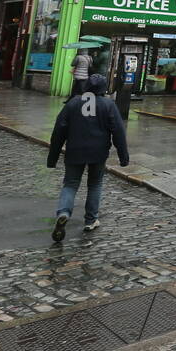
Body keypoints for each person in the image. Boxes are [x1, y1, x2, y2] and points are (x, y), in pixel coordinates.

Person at [47, 73, 129, 242]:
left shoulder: (73, 103)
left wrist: (52, 158)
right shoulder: (108, 105)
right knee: (95, 184)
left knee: (70, 183)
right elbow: (119, 132)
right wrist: (123, 156)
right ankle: (91, 220)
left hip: (75, 150)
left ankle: (63, 212)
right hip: (98, 153)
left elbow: (58, 131)